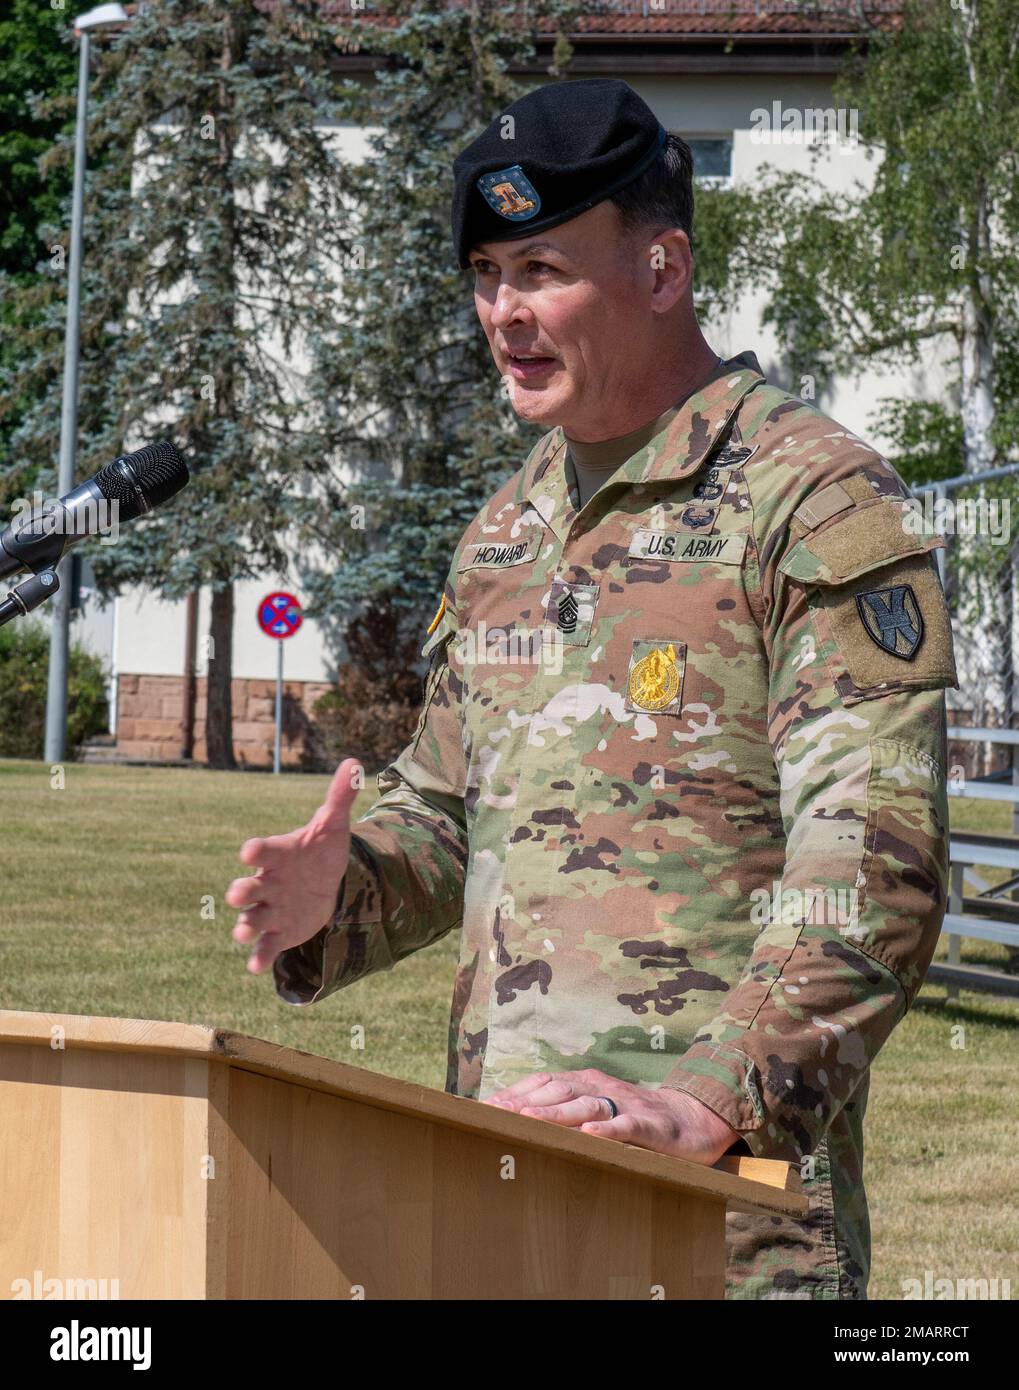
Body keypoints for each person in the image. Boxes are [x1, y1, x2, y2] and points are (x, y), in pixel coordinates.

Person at [226, 78, 957, 1299]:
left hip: (724, 1217)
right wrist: (334, 894)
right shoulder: (505, 534)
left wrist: (702, 1103)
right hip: (501, 1196)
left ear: (662, 270)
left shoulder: (811, 501)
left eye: (540, 270)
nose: (502, 314)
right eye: (485, 277)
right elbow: (457, 809)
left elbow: (872, 863)